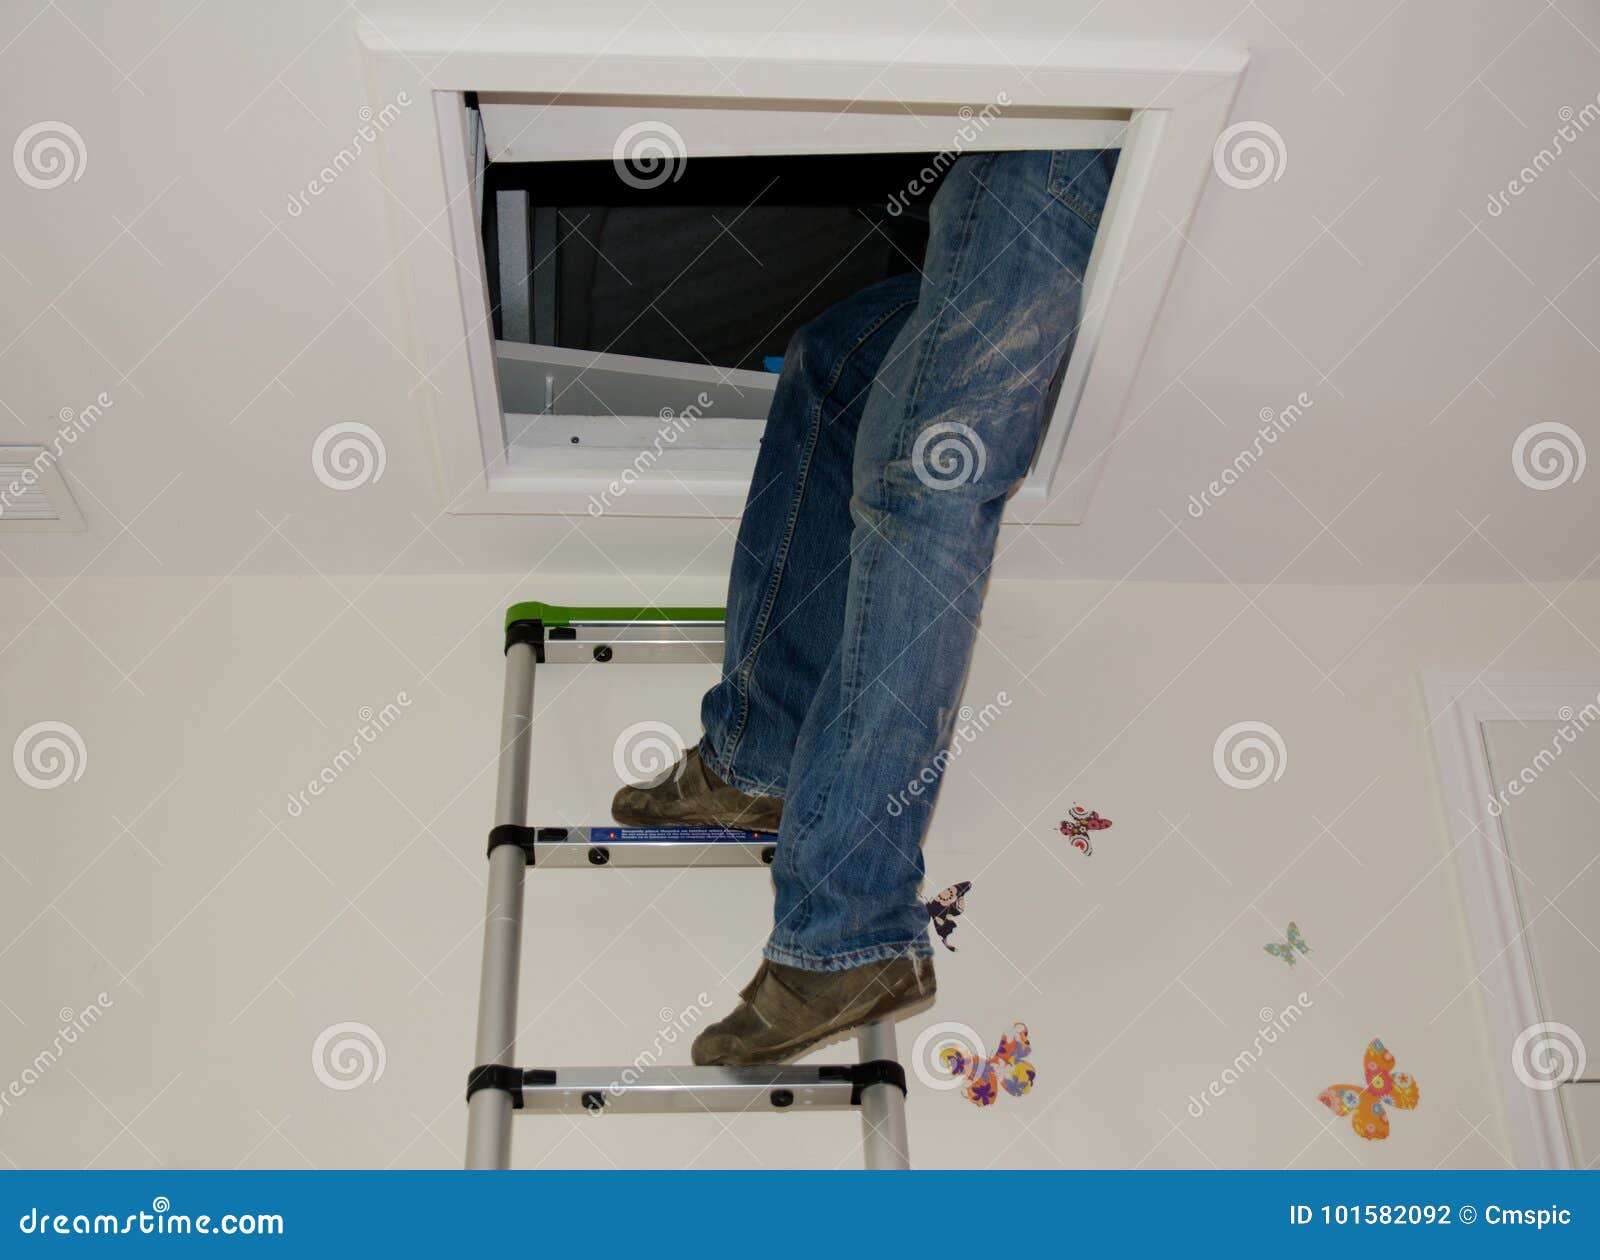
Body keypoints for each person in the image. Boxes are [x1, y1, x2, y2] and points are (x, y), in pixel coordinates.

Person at [612, 148, 1117, 1065]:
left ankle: (849, 931)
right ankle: (756, 761)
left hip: (1062, 153)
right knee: (833, 361)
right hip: (1003, 164)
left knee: (928, 476)